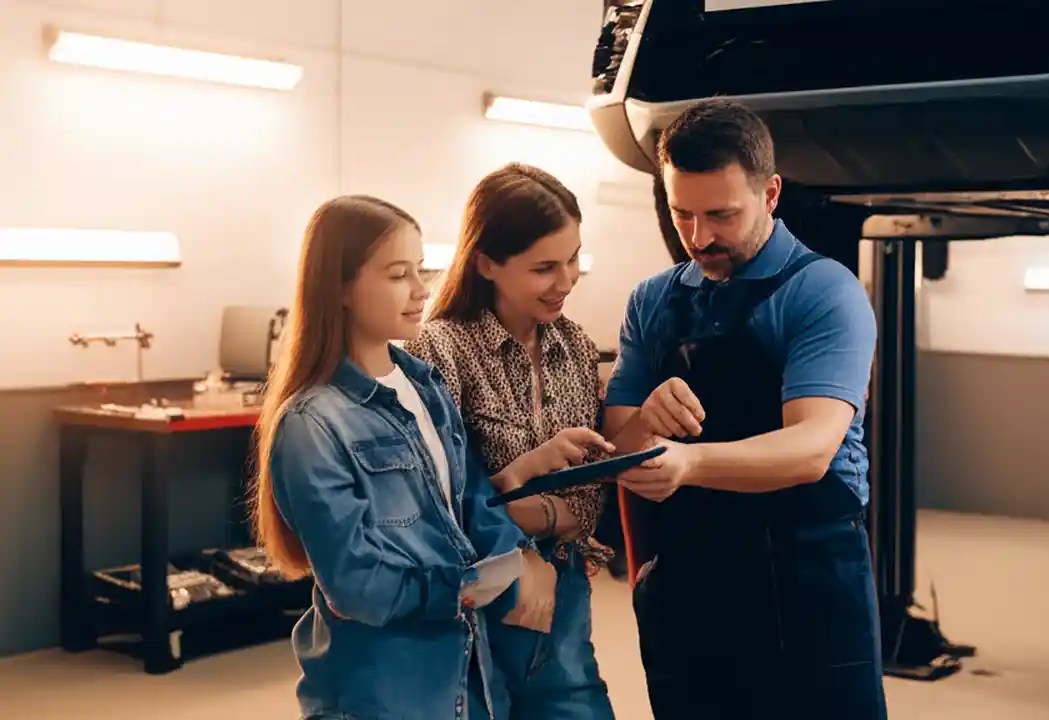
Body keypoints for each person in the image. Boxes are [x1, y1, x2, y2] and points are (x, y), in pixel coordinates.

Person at [604, 99, 888, 719]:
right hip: (688, 580)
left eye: (721, 215)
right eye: (682, 214)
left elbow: (811, 448)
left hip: (805, 578)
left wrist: (688, 463)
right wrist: (646, 420)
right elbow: (618, 447)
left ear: (771, 193)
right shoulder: (651, 301)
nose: (699, 237)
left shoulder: (823, 292)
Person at [252, 194, 557, 720]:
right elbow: (357, 585)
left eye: (421, 269)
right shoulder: (312, 424)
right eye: (398, 275)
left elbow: (469, 496)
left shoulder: (424, 383)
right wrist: (472, 586)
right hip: (381, 692)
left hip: (464, 673)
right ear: (340, 287)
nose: (422, 289)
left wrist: (520, 554)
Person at [406, 163, 617, 719]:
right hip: (482, 592)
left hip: (564, 586)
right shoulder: (441, 349)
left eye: (573, 259)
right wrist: (525, 533)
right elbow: (436, 499)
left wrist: (538, 513)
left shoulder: (575, 345)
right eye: (544, 268)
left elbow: (587, 495)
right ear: (486, 263)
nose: (566, 281)